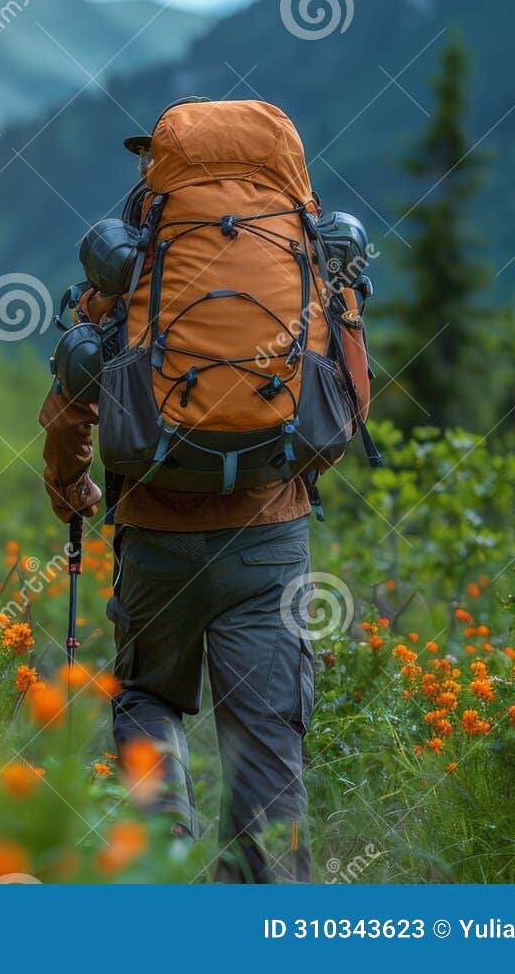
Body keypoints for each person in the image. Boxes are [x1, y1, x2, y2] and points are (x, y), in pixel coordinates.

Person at [39, 98, 377, 884]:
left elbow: (68, 398)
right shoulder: (305, 256)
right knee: (266, 739)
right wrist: (291, 469)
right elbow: (354, 401)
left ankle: (162, 868)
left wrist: (70, 487)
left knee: (148, 697)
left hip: (155, 534)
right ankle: (265, 913)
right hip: (270, 539)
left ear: (161, 174)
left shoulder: (135, 261)